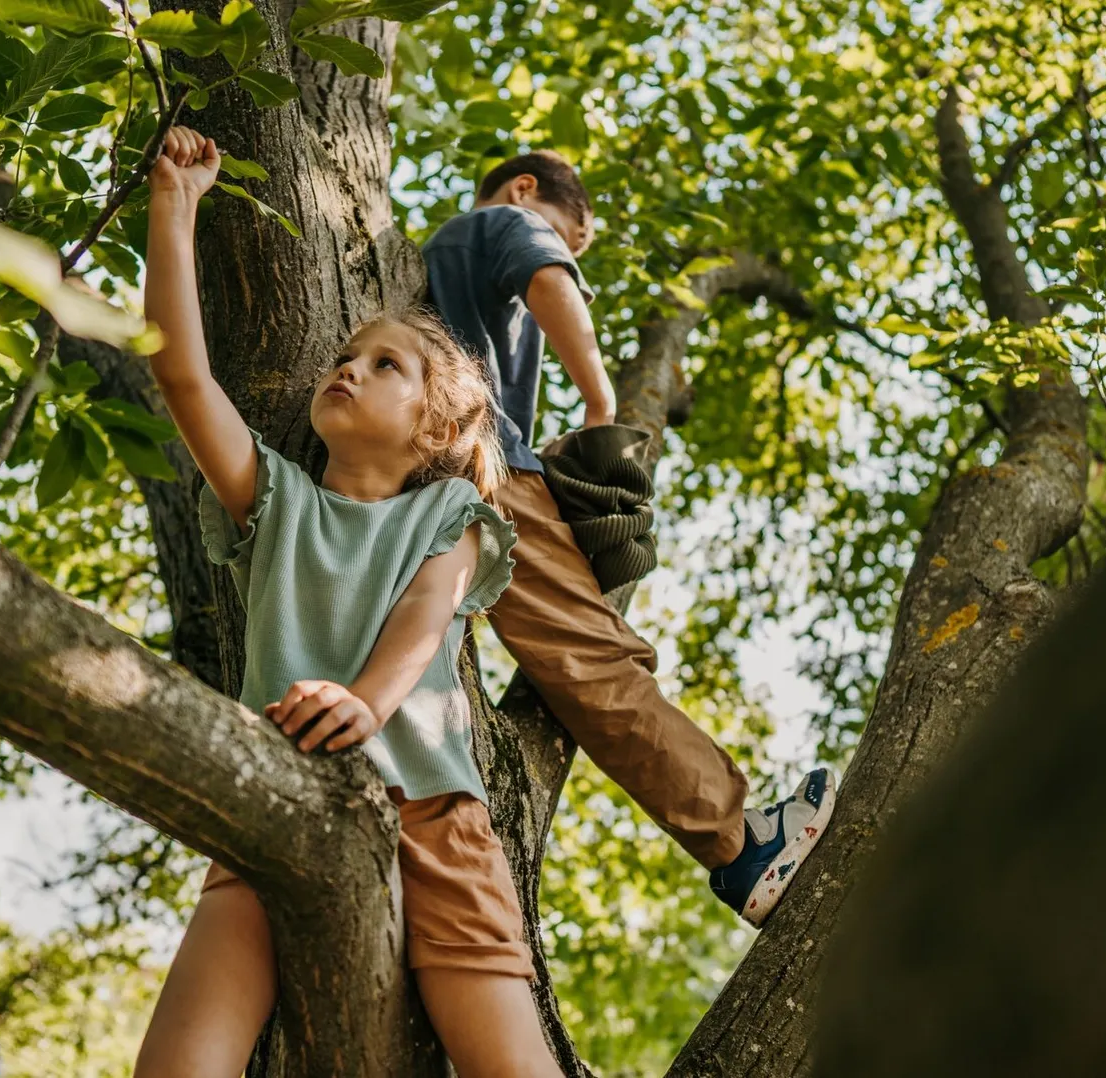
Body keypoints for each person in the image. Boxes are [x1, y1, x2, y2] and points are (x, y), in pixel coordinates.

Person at [132, 126, 562, 1078]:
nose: (351, 367)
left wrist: (364, 703)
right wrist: (175, 206)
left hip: (435, 819)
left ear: (437, 425)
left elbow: (426, 618)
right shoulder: (275, 498)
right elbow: (182, 374)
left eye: (385, 367)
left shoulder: (452, 512)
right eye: (349, 353)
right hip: (276, 799)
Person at [423, 151, 835, 925]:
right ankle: (743, 846)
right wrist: (599, 398)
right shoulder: (499, 221)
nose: (569, 256)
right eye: (573, 238)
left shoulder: (440, 267)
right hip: (484, 475)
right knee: (598, 663)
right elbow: (547, 282)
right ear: (524, 192)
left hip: (424, 488)